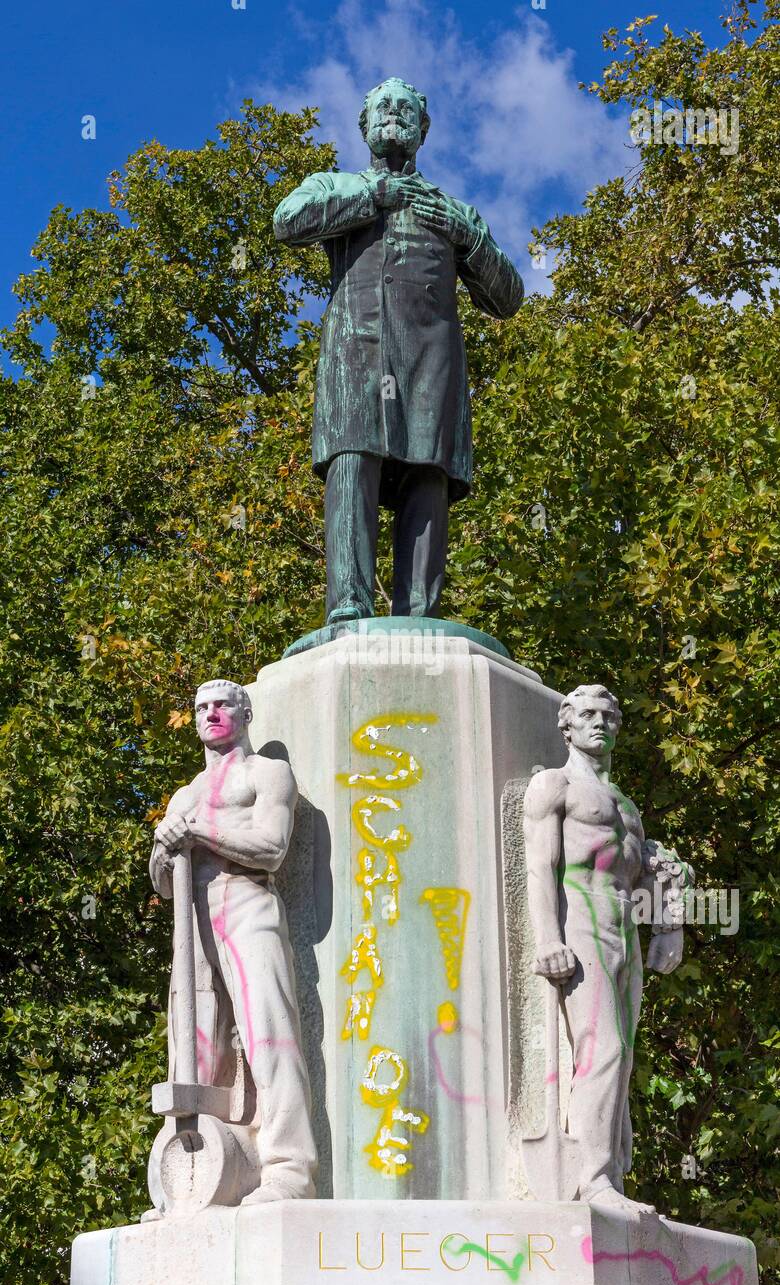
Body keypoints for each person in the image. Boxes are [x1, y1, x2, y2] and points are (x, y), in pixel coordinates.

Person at [274, 77, 524, 623]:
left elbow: (508, 298)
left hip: (432, 364)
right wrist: (371, 198)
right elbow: (285, 222)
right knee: (352, 464)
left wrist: (470, 239)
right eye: (381, 108)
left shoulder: (454, 211)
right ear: (364, 127)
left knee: (427, 476)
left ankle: (419, 615)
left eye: (404, 109)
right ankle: (348, 608)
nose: (392, 113)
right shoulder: (335, 186)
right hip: (355, 354)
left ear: (423, 129)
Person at [149, 678, 317, 1201]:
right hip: (193, 915)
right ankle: (199, 1179)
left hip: (247, 901)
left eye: (222, 704)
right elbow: (160, 879)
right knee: (194, 1046)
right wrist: (164, 849)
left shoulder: (268, 773)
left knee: (270, 1033)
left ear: (244, 712)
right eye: (201, 708)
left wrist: (197, 834)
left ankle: (289, 1169)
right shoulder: (186, 795)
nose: (211, 714)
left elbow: (270, 847)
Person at [522, 684, 685, 1209]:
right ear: (565, 725)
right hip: (581, 924)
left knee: (624, 1057)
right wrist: (547, 936)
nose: (601, 723)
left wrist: (670, 924)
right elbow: (539, 866)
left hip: (625, 931)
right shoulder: (555, 785)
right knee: (604, 1048)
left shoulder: (625, 805)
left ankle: (609, 1174)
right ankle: (592, 1182)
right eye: (588, 715)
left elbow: (644, 875)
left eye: (609, 716)